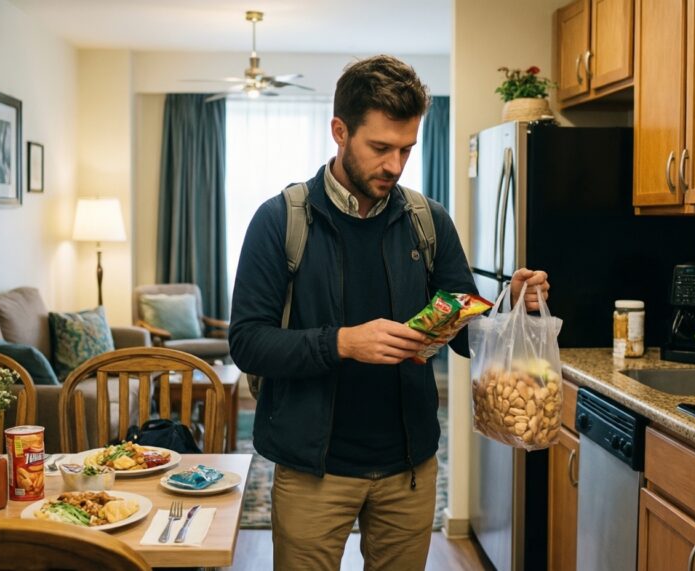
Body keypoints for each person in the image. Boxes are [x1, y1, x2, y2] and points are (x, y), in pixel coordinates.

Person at [229, 54, 550, 571]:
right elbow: (246, 342)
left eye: (406, 149)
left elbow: (467, 331)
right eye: (380, 147)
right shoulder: (280, 220)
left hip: (410, 470)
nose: (396, 166)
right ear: (339, 130)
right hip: (313, 471)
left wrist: (514, 307)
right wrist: (343, 343)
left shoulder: (428, 220)